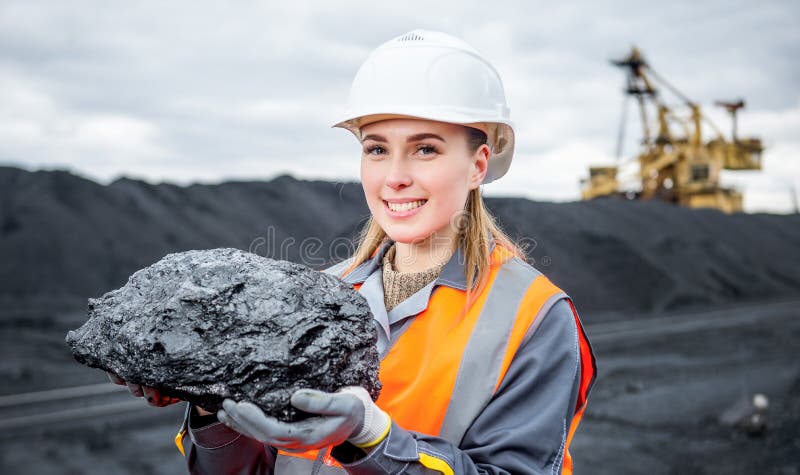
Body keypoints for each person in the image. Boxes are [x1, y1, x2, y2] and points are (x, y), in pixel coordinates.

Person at [110, 29, 596, 474]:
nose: (394, 176)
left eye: (425, 149)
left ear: (478, 164)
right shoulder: (325, 293)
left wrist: (372, 438)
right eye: (377, 149)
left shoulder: (535, 317)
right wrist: (210, 407)